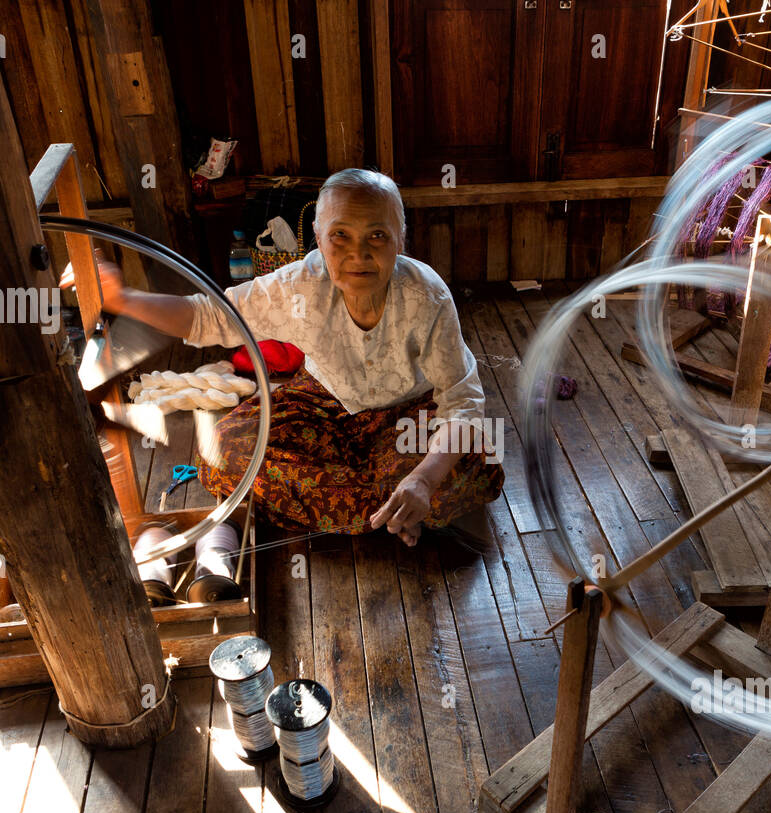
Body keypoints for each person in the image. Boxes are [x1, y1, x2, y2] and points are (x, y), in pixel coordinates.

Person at [63, 168, 504, 548]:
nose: (358, 254)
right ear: (317, 238)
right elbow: (208, 317)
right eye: (340, 236)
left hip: (412, 414)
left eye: (377, 235)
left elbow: (461, 402)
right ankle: (395, 512)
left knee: (474, 459)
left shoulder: (426, 295)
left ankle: (393, 501)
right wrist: (123, 298)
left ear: (400, 240)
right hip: (326, 401)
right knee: (224, 450)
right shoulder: (301, 286)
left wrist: (423, 479)